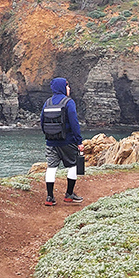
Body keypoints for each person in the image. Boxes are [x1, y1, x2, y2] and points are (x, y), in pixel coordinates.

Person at [40, 77, 84, 206]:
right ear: (62, 87)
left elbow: (42, 122)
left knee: (51, 167)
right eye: (67, 86)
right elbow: (74, 123)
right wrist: (79, 141)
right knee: (72, 165)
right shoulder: (68, 102)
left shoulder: (47, 103)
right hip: (67, 141)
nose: (69, 88)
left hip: (51, 141)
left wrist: (49, 136)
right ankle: (69, 195)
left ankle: (49, 197)